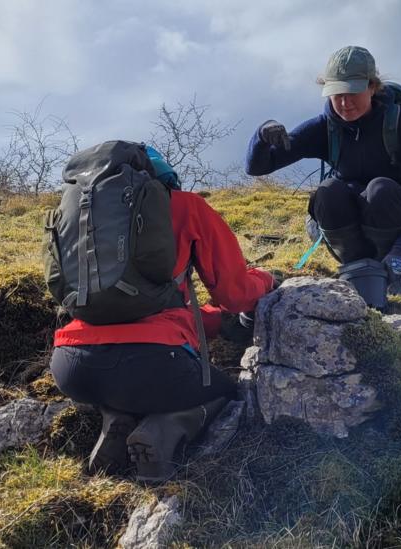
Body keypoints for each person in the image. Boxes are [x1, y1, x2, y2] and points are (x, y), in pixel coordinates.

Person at [49, 145, 275, 483]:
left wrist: (212, 322)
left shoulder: (80, 215)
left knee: (127, 382)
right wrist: (266, 279)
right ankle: (164, 428)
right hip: (154, 364)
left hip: (72, 367)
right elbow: (235, 295)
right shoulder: (185, 206)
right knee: (226, 391)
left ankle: (116, 416)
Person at [246, 45, 401, 307]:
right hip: (349, 242)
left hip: (398, 238)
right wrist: (262, 136)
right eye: (336, 94)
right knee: (328, 191)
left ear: (373, 88)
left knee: (381, 190)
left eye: (353, 92)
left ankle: (390, 276)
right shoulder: (325, 128)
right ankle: (356, 272)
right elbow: (259, 167)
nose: (344, 103)